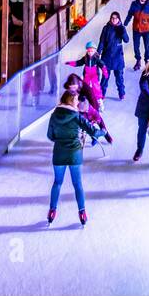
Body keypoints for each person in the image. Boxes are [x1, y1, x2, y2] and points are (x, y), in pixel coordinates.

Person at [46, 90, 107, 225]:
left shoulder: (54, 115)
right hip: (74, 154)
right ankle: (82, 212)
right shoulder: (76, 116)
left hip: (59, 153)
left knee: (57, 182)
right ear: (70, 100)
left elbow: (50, 136)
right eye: (76, 100)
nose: (78, 102)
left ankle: (52, 211)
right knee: (77, 184)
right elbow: (93, 131)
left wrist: (60, 139)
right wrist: (103, 131)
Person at [62, 70, 112, 144]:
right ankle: (94, 137)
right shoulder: (72, 84)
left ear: (77, 84)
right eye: (71, 88)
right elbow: (66, 89)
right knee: (86, 125)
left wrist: (95, 114)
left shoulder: (87, 89)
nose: (72, 90)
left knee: (98, 120)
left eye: (73, 88)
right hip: (80, 108)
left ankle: (106, 134)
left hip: (90, 106)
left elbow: (94, 103)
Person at [95, 14, 129, 98]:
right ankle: (102, 93)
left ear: (119, 19)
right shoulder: (106, 28)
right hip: (107, 56)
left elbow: (126, 40)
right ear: (110, 19)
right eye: (112, 18)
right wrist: (98, 53)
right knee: (105, 77)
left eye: (116, 18)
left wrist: (123, 32)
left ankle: (121, 93)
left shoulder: (121, 28)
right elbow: (102, 41)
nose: (114, 20)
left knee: (119, 77)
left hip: (118, 57)